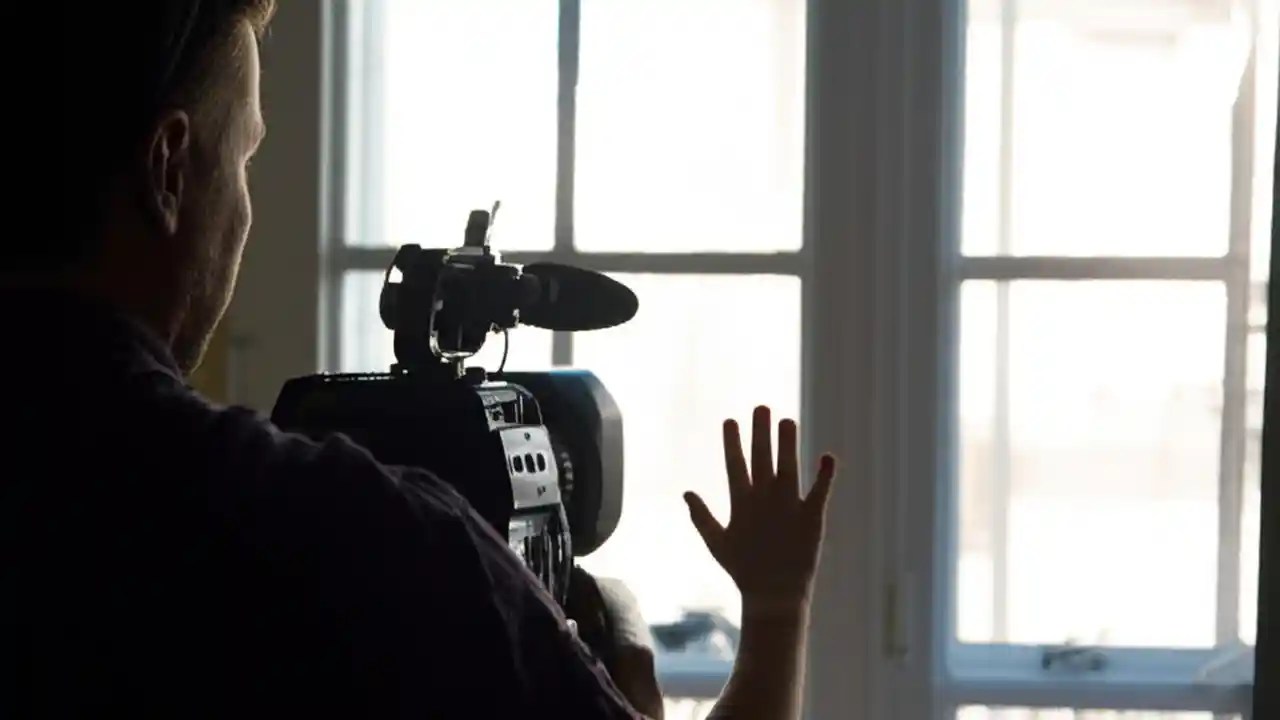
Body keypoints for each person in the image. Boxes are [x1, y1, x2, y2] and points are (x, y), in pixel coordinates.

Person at [10, 2, 837, 717]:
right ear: (169, 169)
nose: (245, 205)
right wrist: (761, 611)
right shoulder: (356, 544)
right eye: (245, 158)